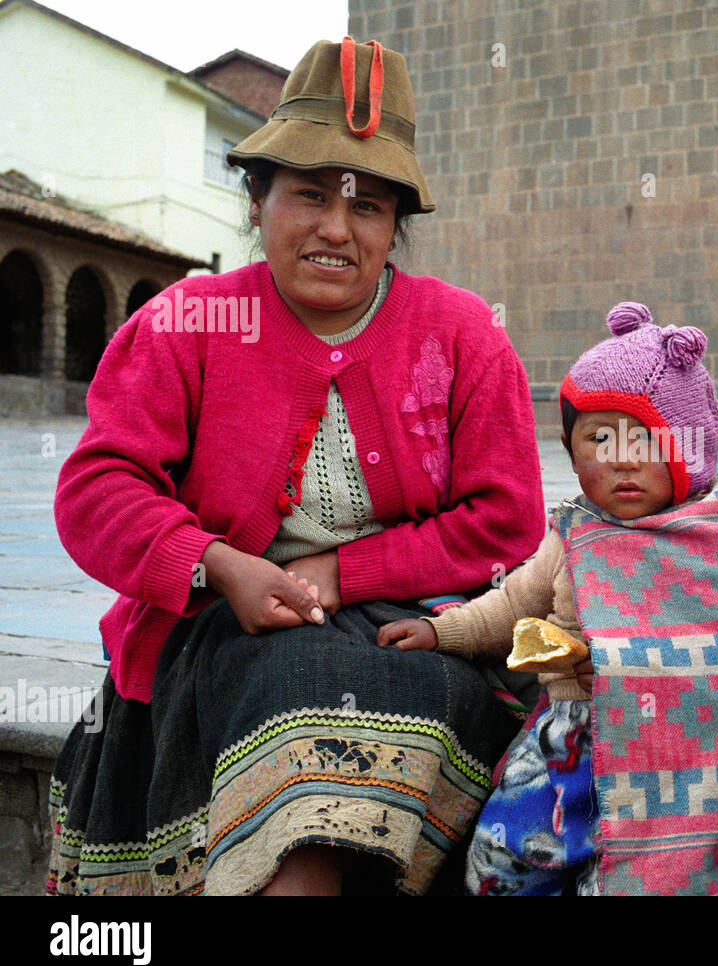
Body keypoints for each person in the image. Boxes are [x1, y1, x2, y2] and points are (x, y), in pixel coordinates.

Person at [47, 38, 545, 895]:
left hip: (417, 632)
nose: (336, 229)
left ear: (395, 227)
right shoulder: (188, 324)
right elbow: (96, 488)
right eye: (309, 194)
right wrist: (213, 561)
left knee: (364, 713)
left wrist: (343, 572)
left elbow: (505, 520)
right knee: (293, 717)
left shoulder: (461, 335)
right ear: (255, 200)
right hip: (223, 626)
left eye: (369, 207)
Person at [379, 302, 718, 894]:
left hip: (684, 749)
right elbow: (514, 601)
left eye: (644, 439)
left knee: (633, 871)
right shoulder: (575, 530)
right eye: (598, 438)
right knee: (506, 858)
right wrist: (447, 632)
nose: (621, 458)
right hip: (573, 740)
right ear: (571, 451)